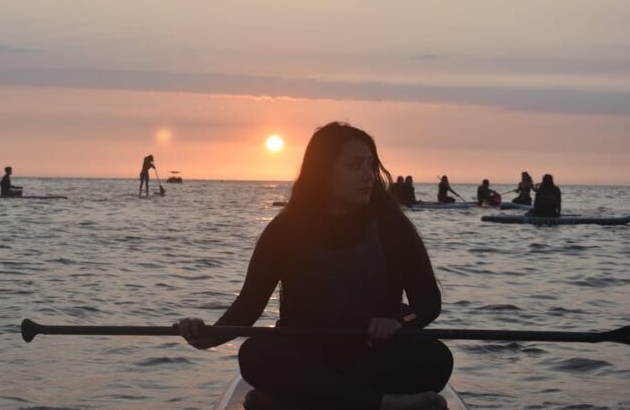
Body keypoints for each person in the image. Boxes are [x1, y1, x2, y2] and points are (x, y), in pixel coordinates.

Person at [176, 122, 452, 409]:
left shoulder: (392, 226)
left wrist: (398, 322)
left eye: (371, 165)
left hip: (374, 356)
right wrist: (208, 335)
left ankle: (294, 400)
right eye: (355, 166)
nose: (368, 176)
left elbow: (428, 303)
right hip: (306, 352)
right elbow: (247, 307)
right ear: (324, 173)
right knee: (255, 355)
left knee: (436, 358)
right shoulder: (285, 230)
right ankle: (383, 404)